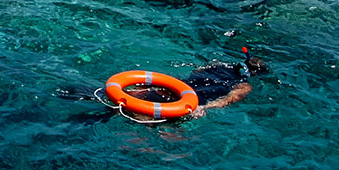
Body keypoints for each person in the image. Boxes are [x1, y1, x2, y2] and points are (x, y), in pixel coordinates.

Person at [64, 51, 270, 122]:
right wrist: (203, 109)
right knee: (141, 114)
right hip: (189, 100)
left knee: (136, 98)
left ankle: (82, 98)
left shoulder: (218, 65)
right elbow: (227, 100)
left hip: (176, 88)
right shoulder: (245, 86)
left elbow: (197, 72)